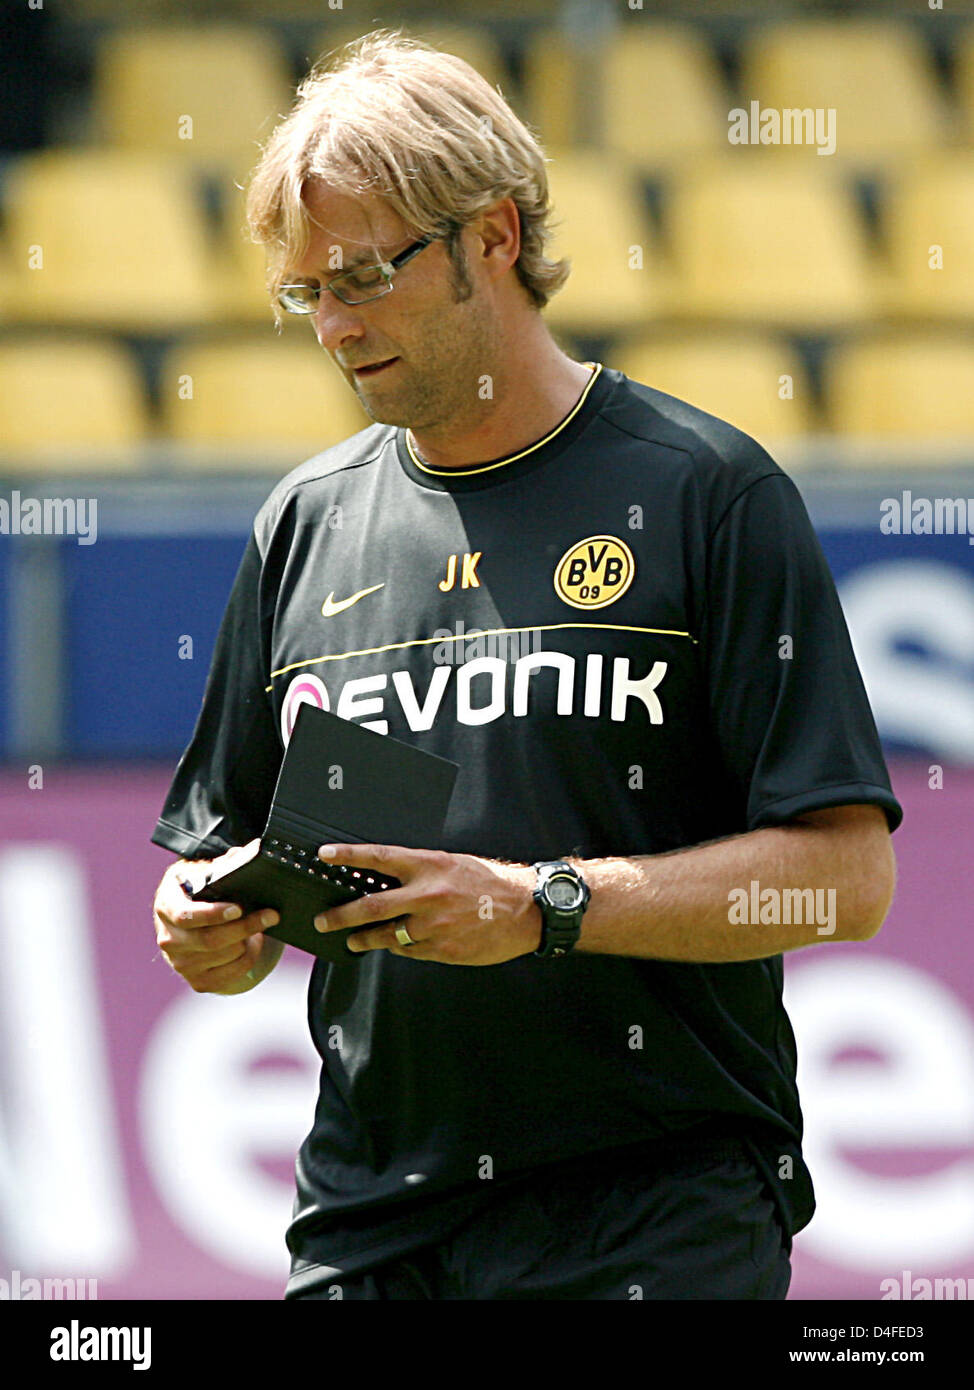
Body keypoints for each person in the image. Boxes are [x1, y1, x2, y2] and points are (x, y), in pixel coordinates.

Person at [151, 31, 902, 1301]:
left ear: (490, 236)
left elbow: (845, 880)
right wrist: (202, 926)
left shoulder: (704, 493)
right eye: (305, 295)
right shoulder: (304, 521)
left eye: (364, 278)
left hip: (655, 1211)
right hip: (371, 1221)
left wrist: (539, 904)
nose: (332, 327)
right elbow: (219, 851)